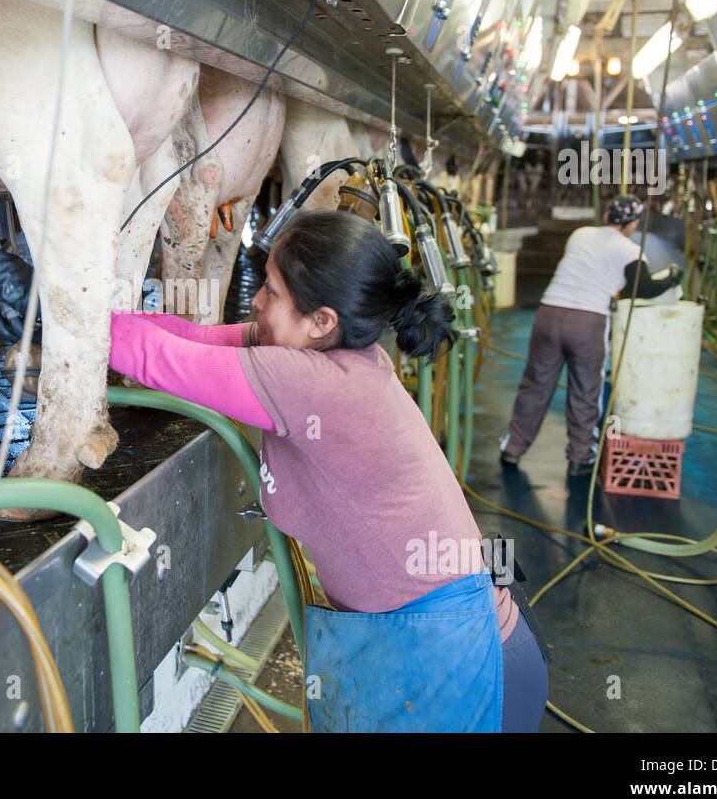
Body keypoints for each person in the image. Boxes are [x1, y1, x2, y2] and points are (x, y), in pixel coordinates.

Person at [108, 210, 549, 733]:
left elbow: (158, 360)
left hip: (456, 657)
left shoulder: (307, 382)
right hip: (443, 637)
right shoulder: (342, 355)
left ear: (322, 320)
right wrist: (85, 319)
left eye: (271, 291)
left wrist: (55, 308)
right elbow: (190, 341)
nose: (255, 300)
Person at [499, 194, 682, 477]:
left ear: (608, 216)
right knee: (585, 390)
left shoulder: (580, 235)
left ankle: (513, 447)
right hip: (588, 322)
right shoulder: (630, 251)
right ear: (633, 224)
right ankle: (580, 457)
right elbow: (641, 288)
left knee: (535, 384)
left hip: (548, 313)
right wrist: (671, 278)